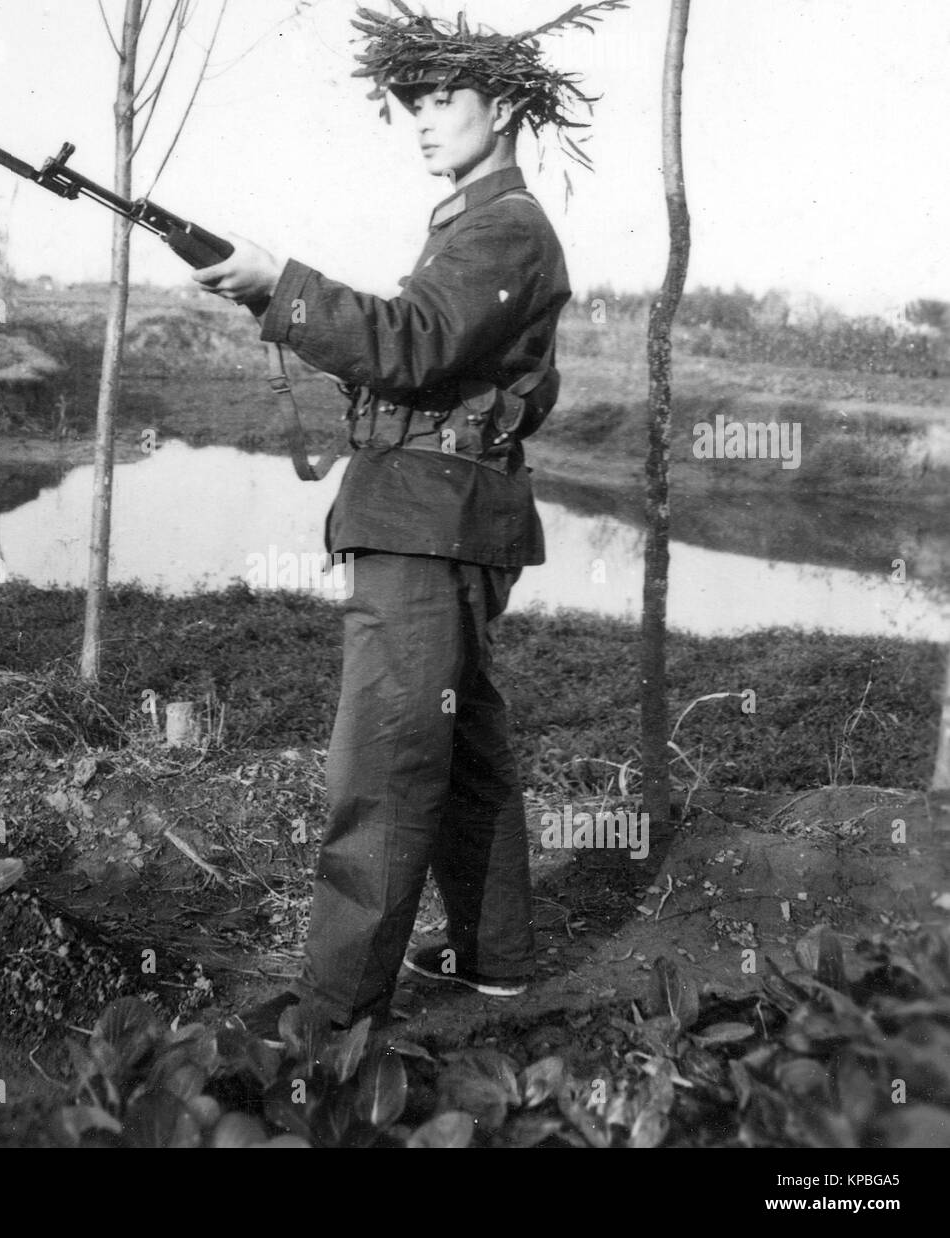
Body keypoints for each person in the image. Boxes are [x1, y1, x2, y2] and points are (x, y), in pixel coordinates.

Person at [193, 7, 589, 1040]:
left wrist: (278, 285)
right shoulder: (470, 221)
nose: (418, 121)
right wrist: (269, 293)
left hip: (430, 525)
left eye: (441, 101)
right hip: (440, 517)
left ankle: (332, 1023)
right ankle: (492, 955)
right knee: (460, 748)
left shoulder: (503, 228)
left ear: (499, 108)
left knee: (384, 760)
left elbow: (412, 346)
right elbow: (420, 352)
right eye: (408, 104)